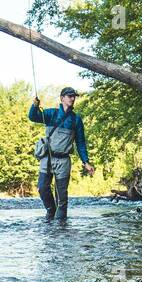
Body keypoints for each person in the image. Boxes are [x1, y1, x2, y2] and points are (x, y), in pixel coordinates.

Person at [28, 87, 95, 222]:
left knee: (62, 196)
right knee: (42, 188)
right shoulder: (51, 114)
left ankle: (60, 224)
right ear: (62, 98)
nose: (72, 98)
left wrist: (86, 162)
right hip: (47, 158)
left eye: (73, 96)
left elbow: (80, 142)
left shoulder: (76, 120)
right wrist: (34, 105)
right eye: (69, 96)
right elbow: (33, 116)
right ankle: (50, 211)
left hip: (64, 161)